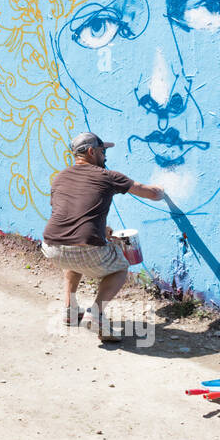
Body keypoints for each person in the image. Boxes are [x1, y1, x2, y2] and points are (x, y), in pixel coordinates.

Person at [41, 132, 165, 341]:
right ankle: (96, 313)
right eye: (102, 151)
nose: (105, 156)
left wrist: (102, 228)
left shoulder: (60, 177)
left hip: (51, 247)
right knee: (121, 265)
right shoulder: (108, 176)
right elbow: (150, 193)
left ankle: (70, 310)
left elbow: (68, 214)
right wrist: (164, 189)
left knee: (74, 253)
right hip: (83, 248)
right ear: (91, 152)